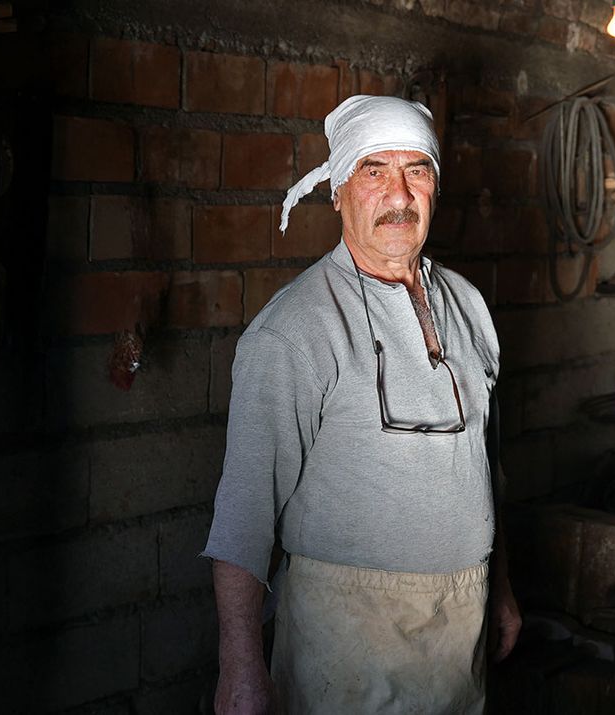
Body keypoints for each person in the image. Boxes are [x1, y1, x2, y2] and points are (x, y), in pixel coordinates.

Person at [203, 94, 521, 715]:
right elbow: (243, 514)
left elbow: (488, 469)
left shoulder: (469, 306)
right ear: (338, 190)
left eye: (417, 172)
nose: (399, 195)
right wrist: (239, 663)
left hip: (462, 625)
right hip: (343, 635)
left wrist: (501, 585)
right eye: (374, 171)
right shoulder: (294, 331)